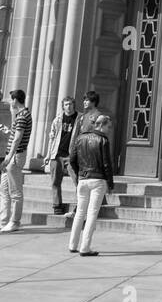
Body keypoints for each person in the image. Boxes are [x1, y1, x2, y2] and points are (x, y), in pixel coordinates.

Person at [68, 114, 114, 256]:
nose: (109, 129)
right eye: (108, 126)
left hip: (83, 179)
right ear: (101, 125)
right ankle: (85, 247)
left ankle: (72, 244)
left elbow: (72, 159)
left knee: (80, 213)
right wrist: (110, 183)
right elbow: (106, 163)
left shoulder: (80, 138)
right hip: (98, 179)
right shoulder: (103, 139)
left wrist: (79, 173)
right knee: (92, 213)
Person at [0, 89, 32, 232]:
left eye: (11, 99)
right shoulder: (20, 114)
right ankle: (3, 221)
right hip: (12, 155)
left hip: (15, 156)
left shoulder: (23, 116)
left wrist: (9, 156)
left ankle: (14, 222)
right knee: (4, 189)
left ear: (15, 100)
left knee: (15, 192)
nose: (10, 102)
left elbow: (18, 138)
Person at [47, 96, 79, 214]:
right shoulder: (58, 119)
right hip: (57, 154)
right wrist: (48, 154)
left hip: (71, 155)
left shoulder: (79, 118)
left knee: (77, 180)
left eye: (70, 104)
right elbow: (52, 137)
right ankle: (57, 205)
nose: (68, 106)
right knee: (55, 181)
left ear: (74, 105)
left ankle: (79, 204)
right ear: (63, 106)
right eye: (66, 104)